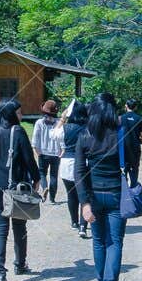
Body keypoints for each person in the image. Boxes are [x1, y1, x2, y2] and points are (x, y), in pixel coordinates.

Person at [75, 93, 128, 281]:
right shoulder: (121, 133)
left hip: (93, 196)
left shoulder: (84, 135)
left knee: (98, 240)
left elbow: (79, 172)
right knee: (114, 241)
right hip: (116, 194)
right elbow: (132, 164)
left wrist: (84, 203)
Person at [0, 99, 39, 281]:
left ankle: (0, 273)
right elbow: (29, 160)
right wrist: (37, 179)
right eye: (19, 113)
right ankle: (20, 264)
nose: (21, 116)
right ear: (11, 114)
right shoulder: (18, 132)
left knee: (0, 231)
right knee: (19, 228)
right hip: (15, 189)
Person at [61, 99, 90, 239]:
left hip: (66, 162)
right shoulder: (87, 127)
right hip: (82, 163)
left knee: (71, 194)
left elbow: (54, 136)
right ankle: (83, 226)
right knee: (84, 193)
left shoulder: (66, 127)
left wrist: (62, 119)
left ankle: (74, 222)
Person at [31, 99, 65, 203]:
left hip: (43, 153)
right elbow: (61, 137)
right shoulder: (59, 123)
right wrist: (62, 150)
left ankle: (45, 187)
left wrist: (37, 151)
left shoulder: (39, 123)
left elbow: (35, 139)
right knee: (54, 175)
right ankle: (52, 198)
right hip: (55, 153)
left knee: (42, 173)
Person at [119, 98, 142, 185]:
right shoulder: (139, 118)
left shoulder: (121, 118)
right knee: (134, 169)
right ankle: (134, 187)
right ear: (136, 107)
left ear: (126, 106)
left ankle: (125, 190)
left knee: (124, 170)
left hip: (123, 148)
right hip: (135, 148)